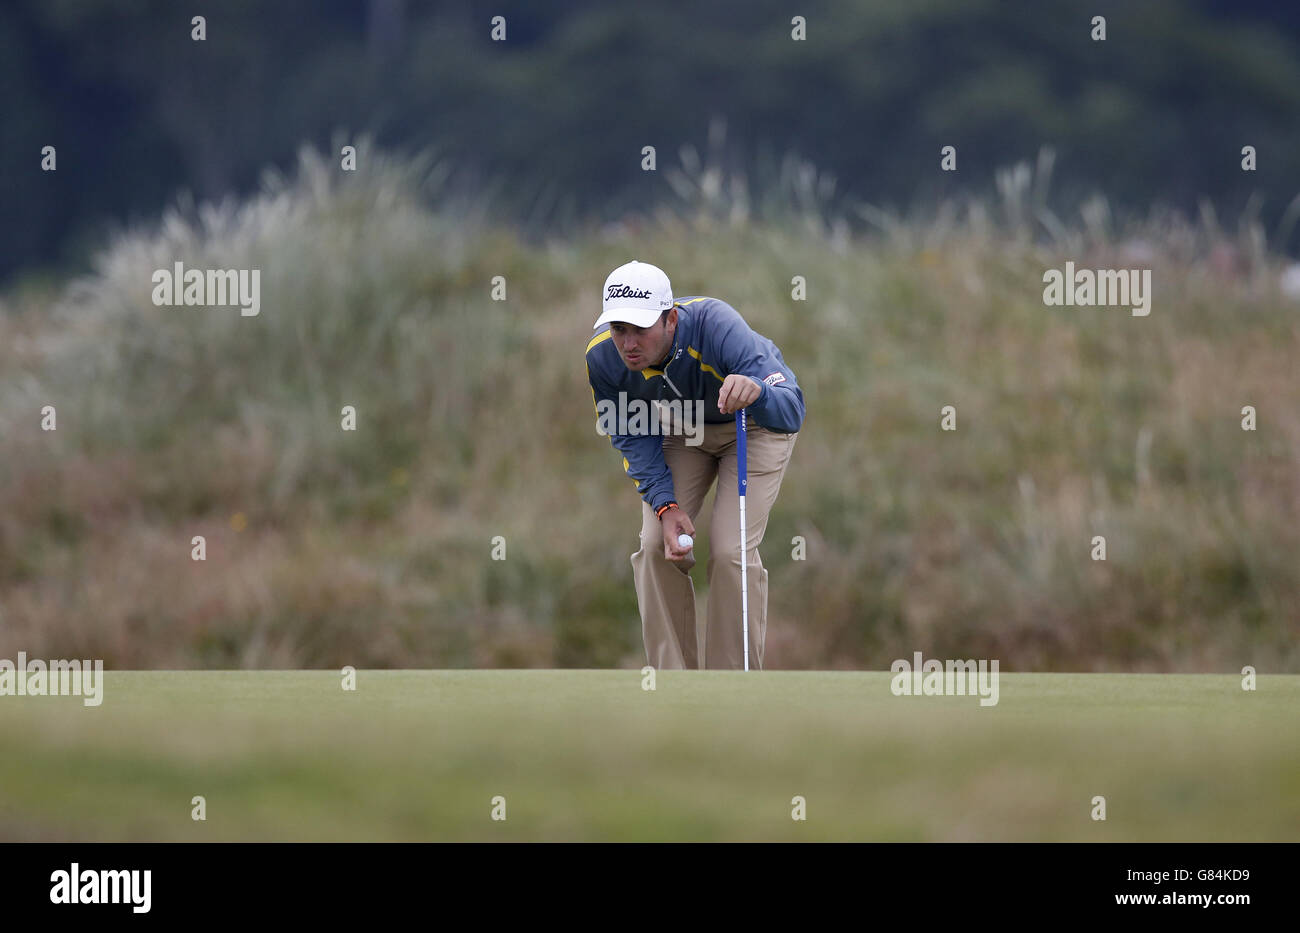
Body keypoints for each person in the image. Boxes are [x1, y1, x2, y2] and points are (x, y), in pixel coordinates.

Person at [584, 260, 805, 670]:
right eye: (619, 329)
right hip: (684, 428)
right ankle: (673, 683)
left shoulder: (717, 326)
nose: (628, 343)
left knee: (729, 550)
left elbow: (791, 410)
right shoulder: (603, 359)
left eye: (640, 329)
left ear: (670, 319)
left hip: (753, 426)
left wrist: (758, 392)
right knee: (655, 545)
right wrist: (665, 506)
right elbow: (632, 436)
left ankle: (730, 685)